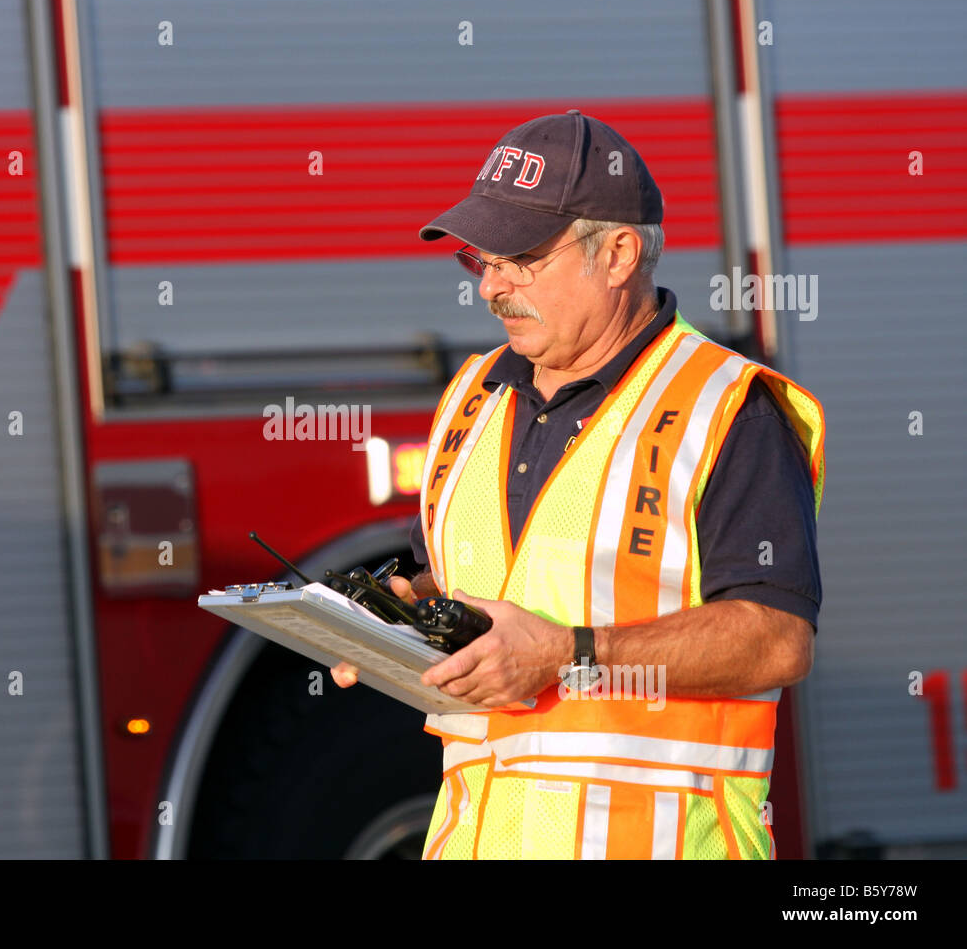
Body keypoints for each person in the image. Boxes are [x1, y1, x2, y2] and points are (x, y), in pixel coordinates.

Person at [332, 111, 825, 860]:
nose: (491, 287)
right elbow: (463, 579)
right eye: (480, 259)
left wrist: (568, 655)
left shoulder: (726, 405)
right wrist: (392, 621)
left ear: (620, 252)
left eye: (521, 258)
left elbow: (778, 639)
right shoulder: (473, 395)